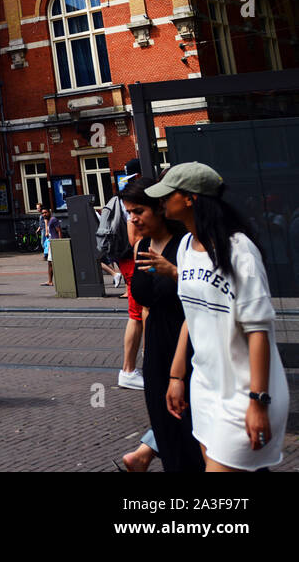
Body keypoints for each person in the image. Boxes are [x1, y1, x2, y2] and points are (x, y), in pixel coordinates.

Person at [159, 163, 289, 472]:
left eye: (167, 193)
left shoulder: (240, 251)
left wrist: (258, 401)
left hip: (244, 393)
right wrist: (176, 376)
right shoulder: (185, 248)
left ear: (190, 198)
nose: (160, 200)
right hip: (205, 388)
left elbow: (258, 330)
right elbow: (192, 314)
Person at [120, 176, 202, 473]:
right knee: (164, 428)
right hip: (156, 346)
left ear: (159, 208)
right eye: (129, 212)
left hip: (186, 342)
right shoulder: (140, 246)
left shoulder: (185, 244)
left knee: (190, 431)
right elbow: (144, 308)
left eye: (139, 211)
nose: (133, 219)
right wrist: (147, 351)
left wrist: (173, 272)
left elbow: (201, 295)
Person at [38, 205, 61, 286]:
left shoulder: (53, 220)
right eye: (42, 213)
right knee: (50, 262)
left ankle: (54, 281)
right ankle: (50, 281)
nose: (44, 214)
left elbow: (59, 231)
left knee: (54, 263)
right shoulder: (49, 220)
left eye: (45, 212)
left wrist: (60, 243)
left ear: (49, 212)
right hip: (51, 243)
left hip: (55, 243)